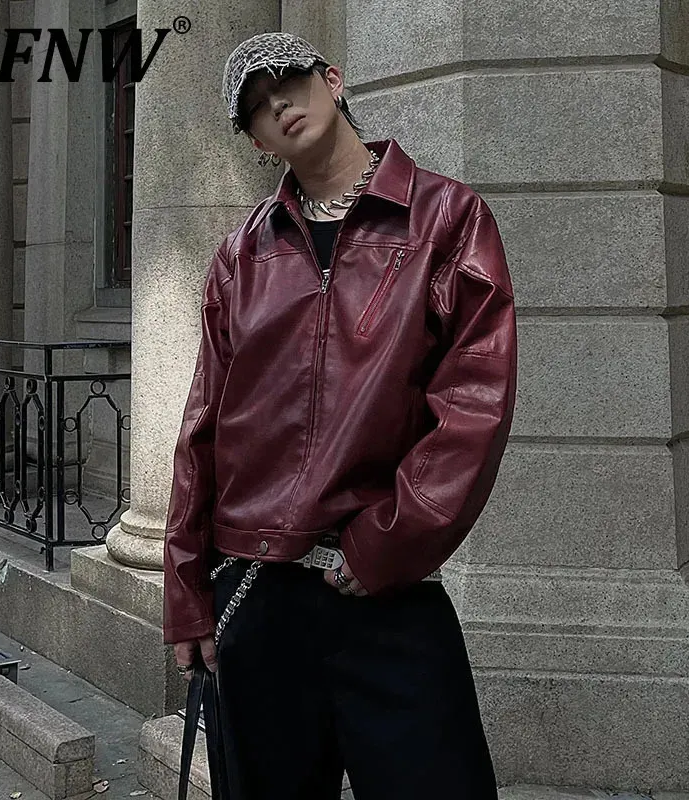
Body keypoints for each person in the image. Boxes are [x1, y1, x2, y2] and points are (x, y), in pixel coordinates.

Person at [163, 30, 517, 800]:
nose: (278, 105)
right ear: (256, 142)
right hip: (253, 588)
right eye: (257, 107)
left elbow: (475, 400)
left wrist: (390, 540)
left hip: (381, 587)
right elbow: (203, 428)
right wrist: (187, 589)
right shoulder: (239, 256)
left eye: (287, 82)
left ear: (333, 79)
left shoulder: (446, 218)